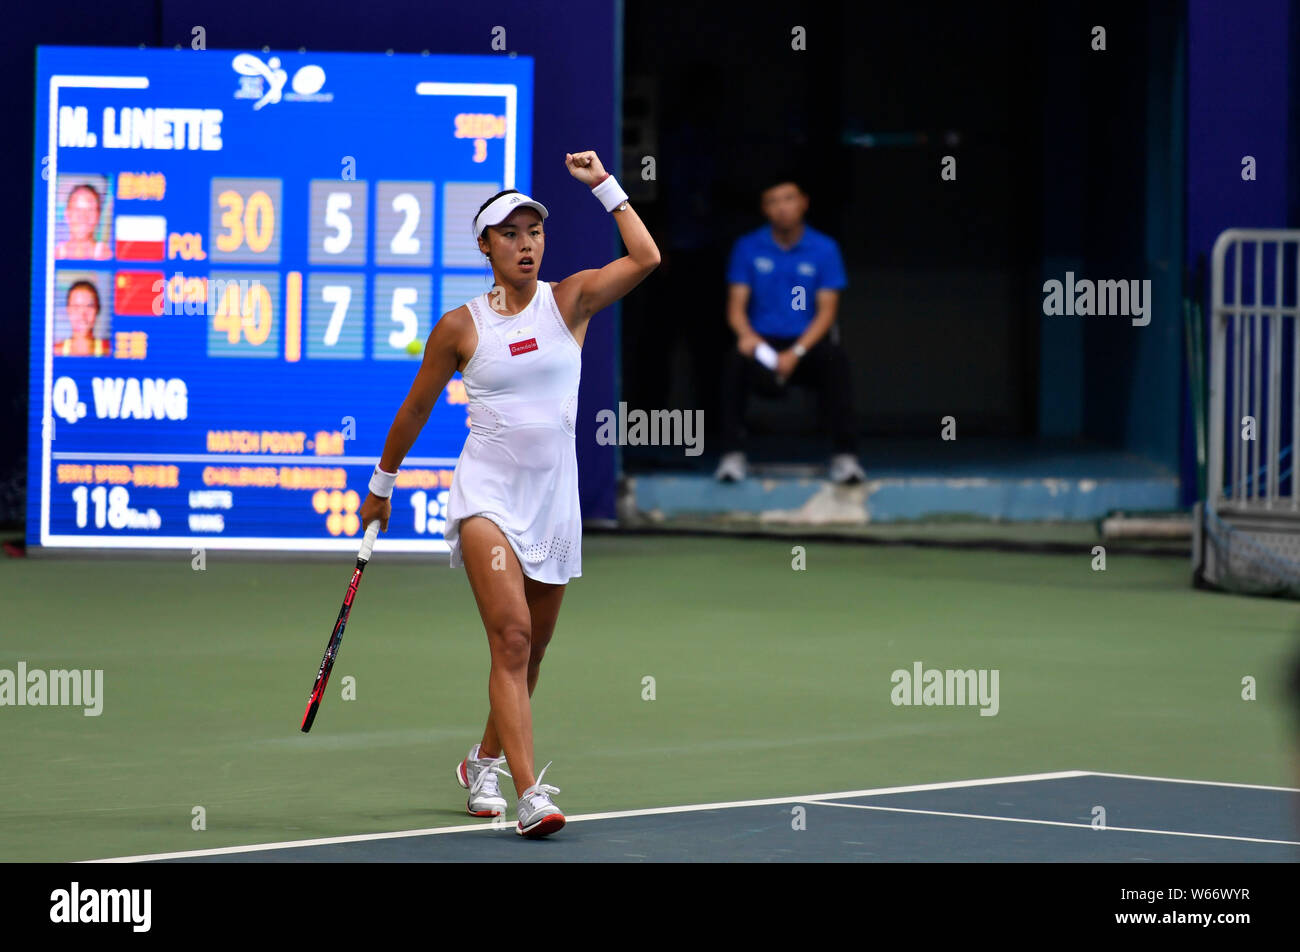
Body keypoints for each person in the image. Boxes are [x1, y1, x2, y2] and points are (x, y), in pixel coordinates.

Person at [358, 152, 660, 838]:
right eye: (511, 234)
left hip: (554, 504)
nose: (526, 244)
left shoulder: (571, 299)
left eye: (535, 233)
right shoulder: (462, 327)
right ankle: (532, 796)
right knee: (514, 637)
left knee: (532, 652)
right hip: (485, 499)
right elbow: (414, 409)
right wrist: (382, 485)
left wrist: (604, 186)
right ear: (486, 245)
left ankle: (482, 761)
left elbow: (645, 257)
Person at [716, 174, 865, 484]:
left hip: (805, 344)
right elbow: (736, 309)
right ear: (764, 209)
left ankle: (845, 458)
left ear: (803, 204)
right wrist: (751, 341)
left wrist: (796, 352)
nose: (782, 208)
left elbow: (826, 314)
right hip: (762, 343)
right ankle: (732, 455)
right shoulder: (748, 247)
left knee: (836, 360)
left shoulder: (824, 249)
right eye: (773, 201)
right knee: (733, 361)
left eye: (788, 199)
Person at [53, 280, 111, 356]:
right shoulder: (55, 351)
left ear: (97, 309)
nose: (82, 315)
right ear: (68, 310)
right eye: (76, 307)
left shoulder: (109, 350)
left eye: (89, 306)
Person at [55, 184, 111, 260]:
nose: (83, 216)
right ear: (67, 213)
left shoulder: (107, 256)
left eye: (90, 210)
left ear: (98, 215)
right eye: (77, 209)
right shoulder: (54, 255)